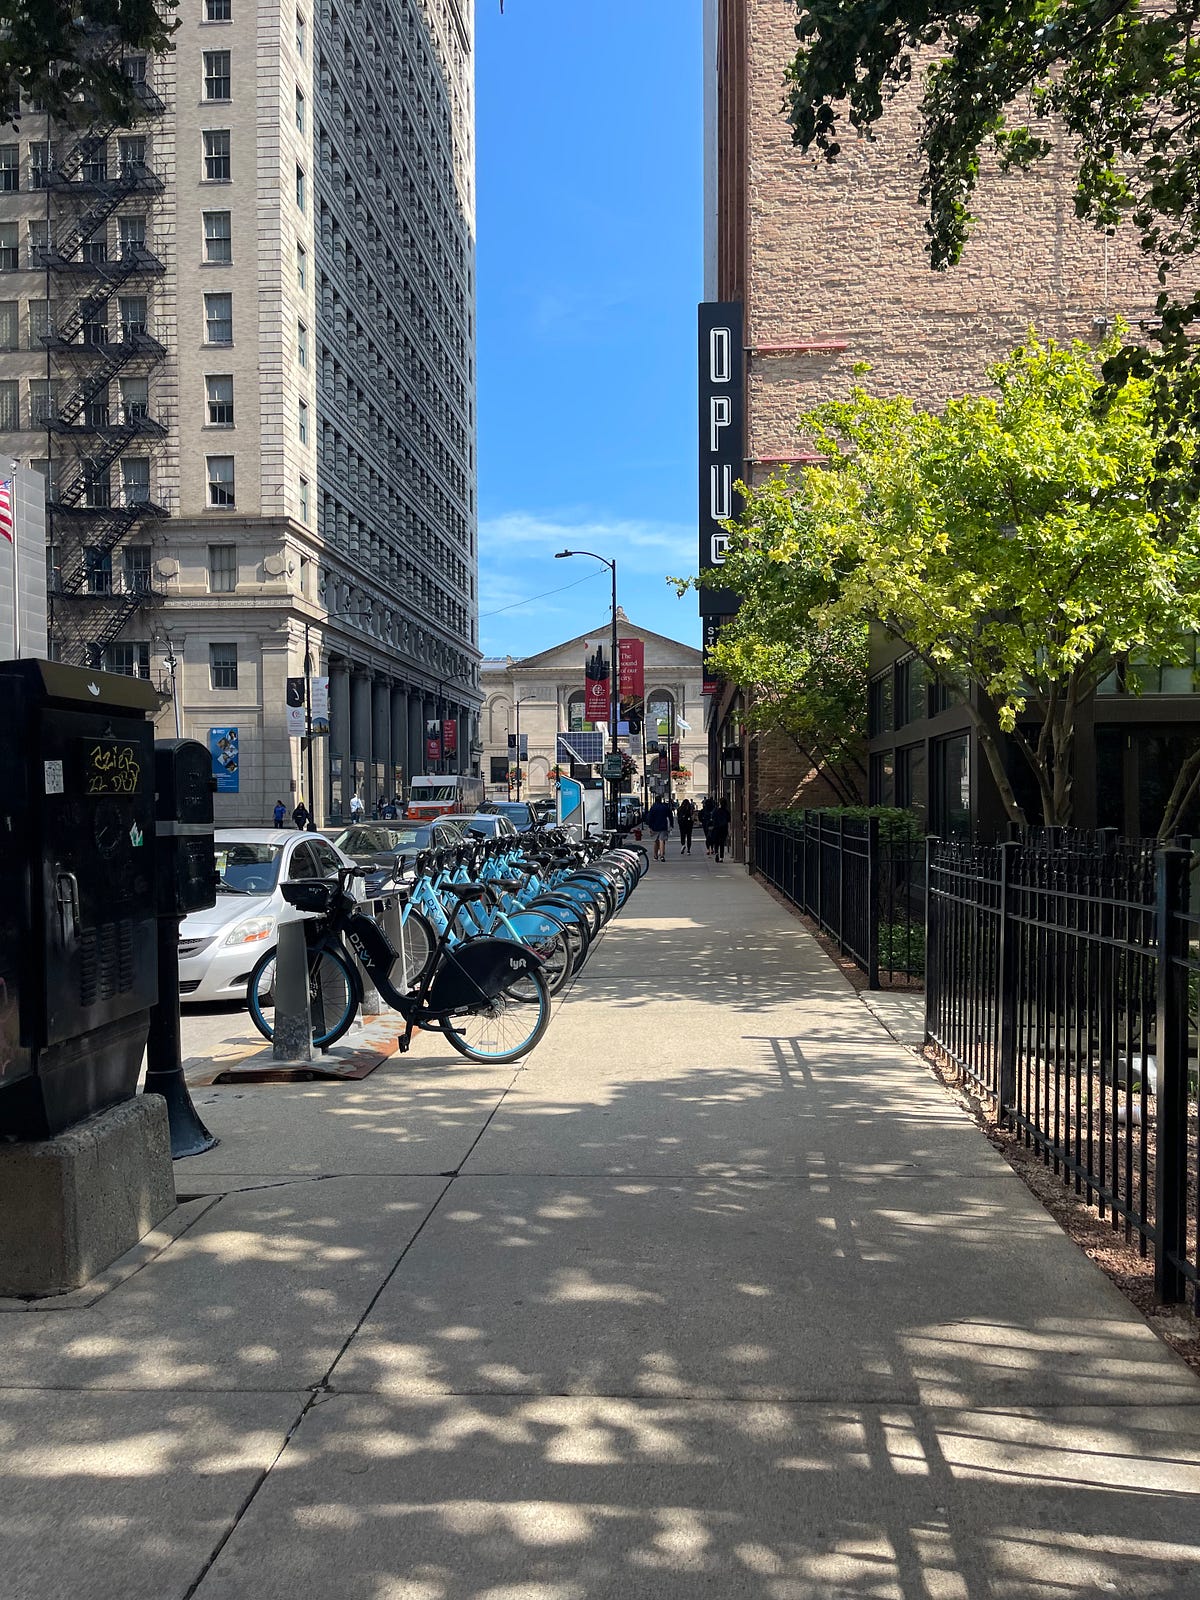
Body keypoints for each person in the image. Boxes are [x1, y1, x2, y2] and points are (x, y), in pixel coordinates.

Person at [645, 794, 672, 861]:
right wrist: (671, 824)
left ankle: (655, 856)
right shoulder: (665, 807)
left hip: (655, 826)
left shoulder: (653, 807)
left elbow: (650, 817)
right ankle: (662, 855)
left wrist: (650, 826)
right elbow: (670, 816)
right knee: (662, 840)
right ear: (661, 800)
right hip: (663, 826)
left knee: (656, 841)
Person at [710, 798, 731, 863]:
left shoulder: (715, 811)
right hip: (724, 829)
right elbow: (728, 822)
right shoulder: (726, 812)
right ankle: (721, 857)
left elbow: (712, 818)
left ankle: (716, 853)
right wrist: (729, 831)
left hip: (716, 828)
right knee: (722, 843)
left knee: (716, 842)